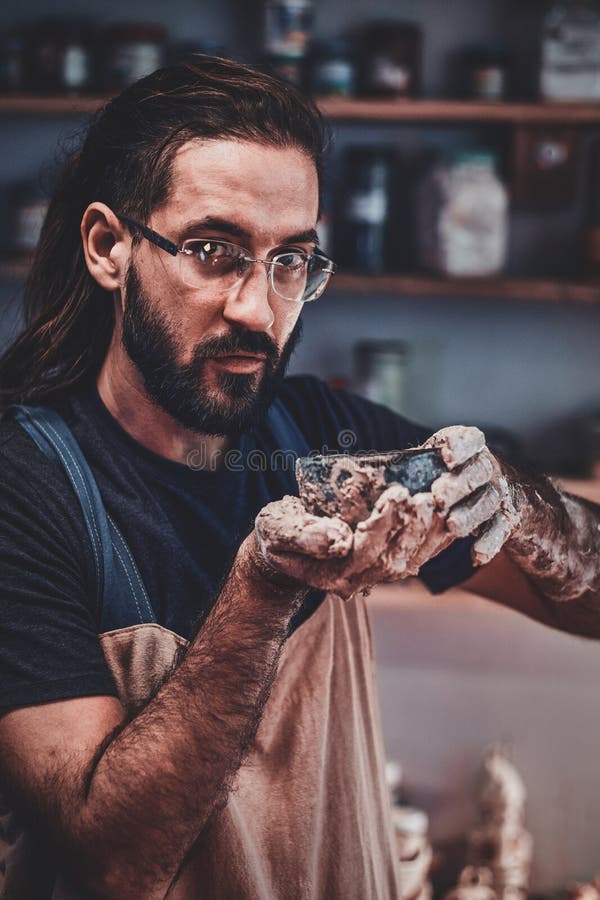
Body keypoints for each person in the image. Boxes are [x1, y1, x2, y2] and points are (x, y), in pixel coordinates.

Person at [0, 56, 598, 900]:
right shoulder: (26, 487)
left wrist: (521, 505)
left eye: (291, 262)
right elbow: (114, 861)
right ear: (110, 247)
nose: (258, 308)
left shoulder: (324, 437)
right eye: (215, 252)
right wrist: (261, 588)